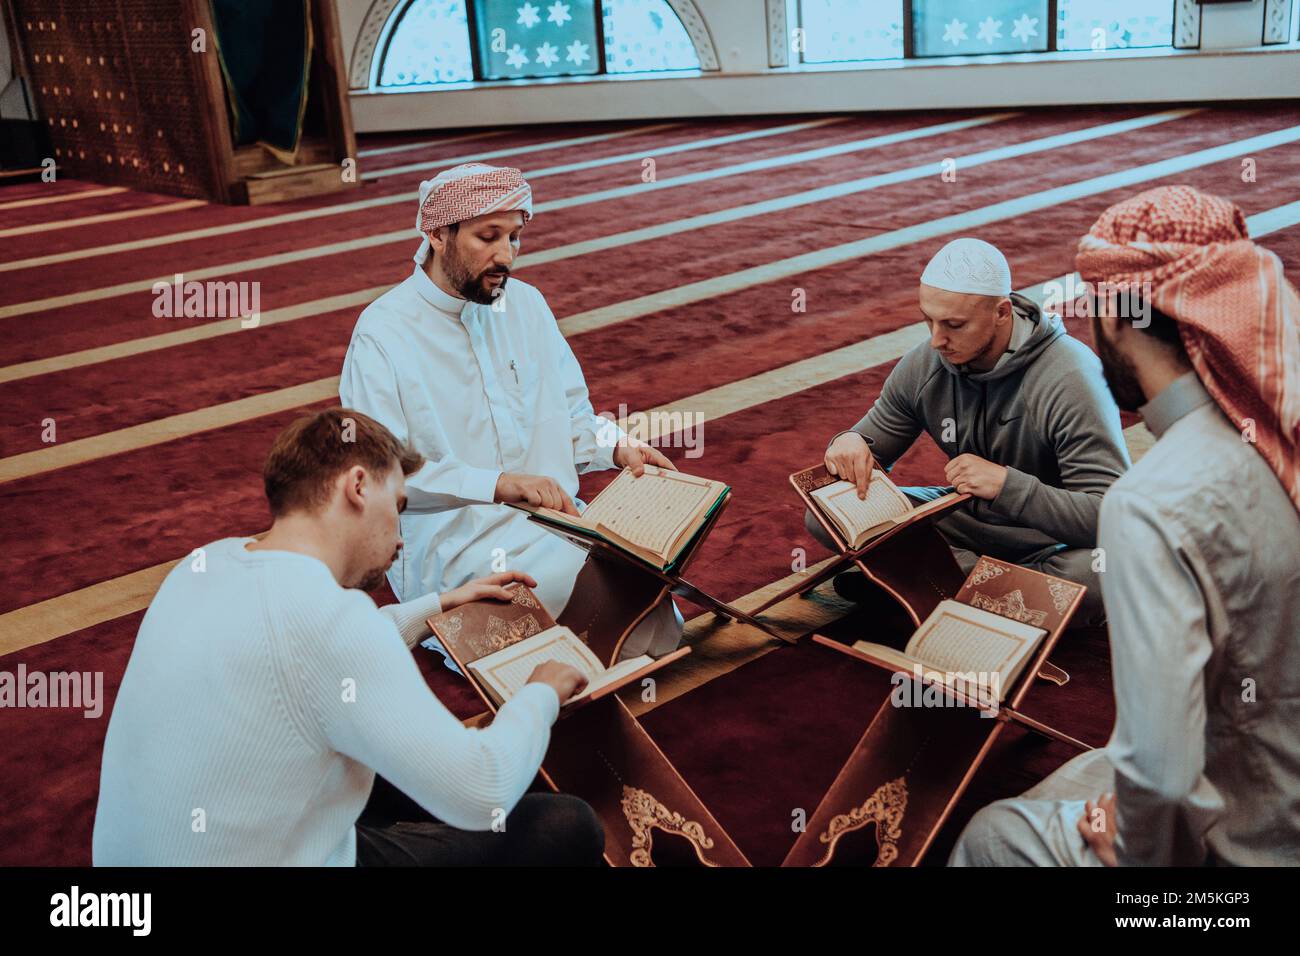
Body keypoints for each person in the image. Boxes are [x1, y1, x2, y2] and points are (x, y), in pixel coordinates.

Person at [950, 185, 1300, 866]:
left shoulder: (1153, 502)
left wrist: (1134, 851)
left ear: (1119, 320)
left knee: (989, 836)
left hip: (1251, 843)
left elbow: (1163, 778)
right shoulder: (1282, 432)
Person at [93, 408, 604, 866]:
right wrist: (542, 691)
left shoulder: (204, 563)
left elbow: (301, 656)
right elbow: (482, 791)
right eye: (398, 506)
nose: (401, 537)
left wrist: (438, 606)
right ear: (358, 486)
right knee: (564, 824)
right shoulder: (334, 620)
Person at [341, 162, 682, 663]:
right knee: (608, 613)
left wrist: (616, 446)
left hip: (557, 523)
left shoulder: (526, 305)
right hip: (456, 547)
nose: (507, 256)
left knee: (652, 600)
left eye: (516, 237)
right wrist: (498, 484)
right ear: (438, 233)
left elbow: (572, 418)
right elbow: (381, 478)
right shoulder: (381, 335)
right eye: (488, 237)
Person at [810, 237, 1128, 621]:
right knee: (826, 512)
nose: (936, 340)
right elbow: (872, 445)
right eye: (928, 320)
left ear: (1002, 312)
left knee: (1106, 573)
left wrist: (1008, 488)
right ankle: (974, 598)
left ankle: (920, 588)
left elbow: (1110, 518)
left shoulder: (1071, 378)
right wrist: (850, 442)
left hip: (1048, 542)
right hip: (962, 521)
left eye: (954, 325)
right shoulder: (927, 363)